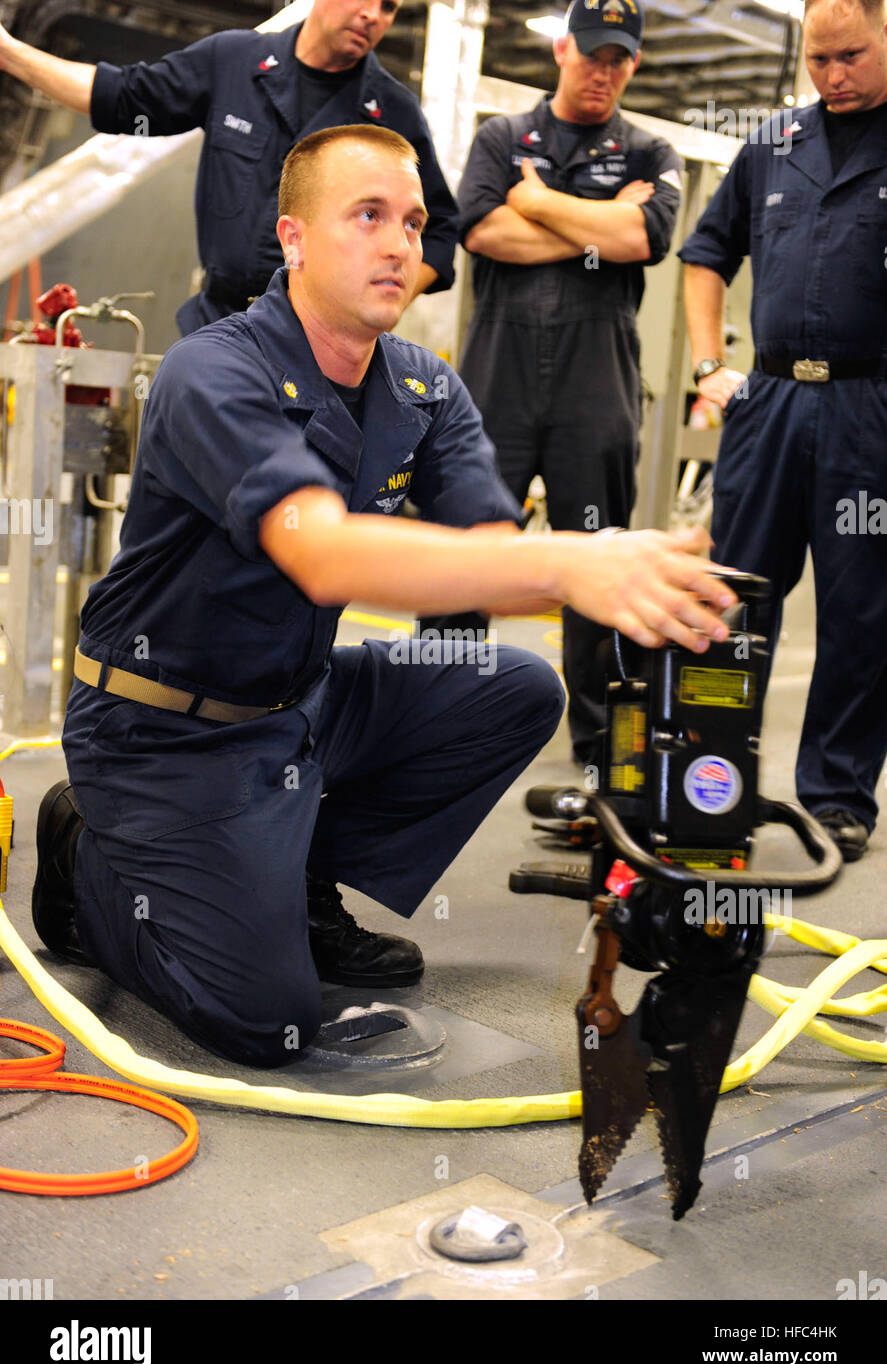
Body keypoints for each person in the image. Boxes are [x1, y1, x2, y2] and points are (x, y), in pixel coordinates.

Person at [32, 125, 736, 1068]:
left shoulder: (420, 386)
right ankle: (86, 861)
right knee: (263, 1019)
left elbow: (489, 551)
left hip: (299, 701)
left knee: (513, 690)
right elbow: (320, 555)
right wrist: (573, 567)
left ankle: (303, 881)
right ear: (292, 238)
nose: (401, 244)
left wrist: (632, 578)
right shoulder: (216, 370)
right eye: (367, 216)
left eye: (412, 222)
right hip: (165, 732)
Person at [680, 0, 887, 862]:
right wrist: (706, 369)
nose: (830, 74)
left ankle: (835, 795)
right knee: (732, 597)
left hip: (867, 411)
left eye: (850, 56)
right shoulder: (771, 144)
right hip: (767, 405)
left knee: (861, 611)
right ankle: (708, 781)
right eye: (817, 58)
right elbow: (704, 253)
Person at [455, 0, 683, 775]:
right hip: (499, 374)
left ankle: (601, 758)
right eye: (591, 55)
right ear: (561, 50)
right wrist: (594, 225)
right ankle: (433, 728)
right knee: (465, 558)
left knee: (599, 563)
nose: (603, 71)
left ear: (635, 64)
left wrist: (538, 202)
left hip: (597, 377)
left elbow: (642, 239)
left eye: (619, 59)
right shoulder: (498, 137)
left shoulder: (651, 150)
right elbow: (481, 232)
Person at [0, 0, 457, 334]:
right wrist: (9, 53)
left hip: (324, 347)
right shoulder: (233, 63)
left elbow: (439, 231)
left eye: (390, 8)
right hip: (219, 325)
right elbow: (121, 99)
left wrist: (374, 305)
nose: (374, 16)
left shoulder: (390, 111)